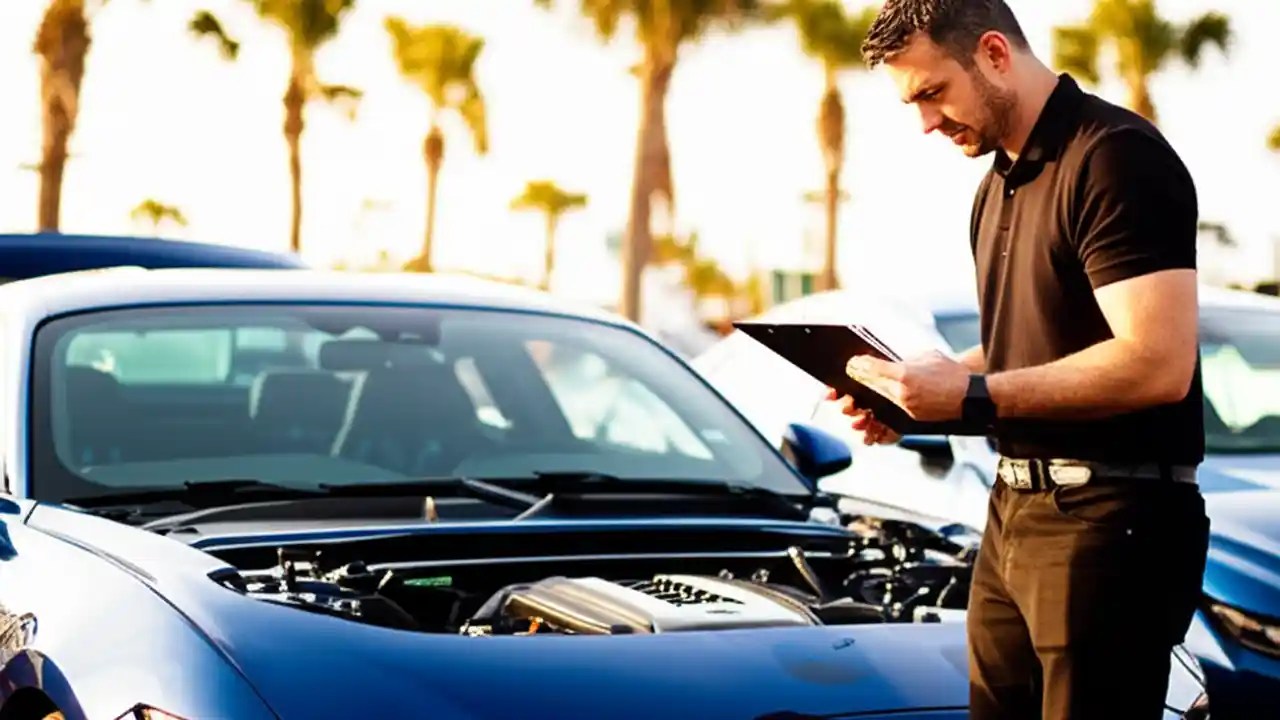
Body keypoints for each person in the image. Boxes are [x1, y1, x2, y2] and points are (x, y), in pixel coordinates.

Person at [825, 1, 1212, 718]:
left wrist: (969, 398)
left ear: (995, 54)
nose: (927, 123)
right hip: (1011, 514)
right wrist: (911, 394)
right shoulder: (994, 184)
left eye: (932, 93)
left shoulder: (1114, 156)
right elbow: (1022, 348)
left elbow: (1158, 363)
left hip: (1110, 521)